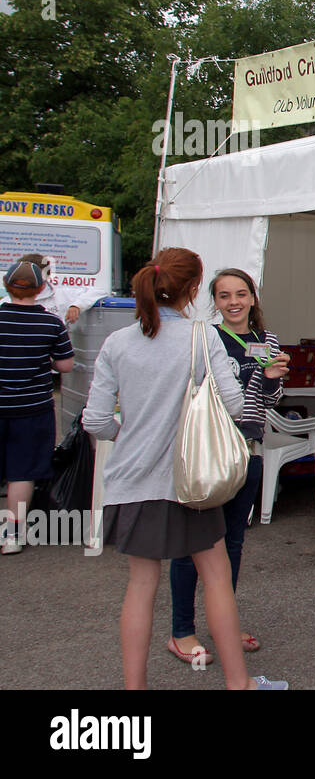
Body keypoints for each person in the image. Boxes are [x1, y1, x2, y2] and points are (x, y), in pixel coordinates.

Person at [82, 248, 285, 689]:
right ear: (194, 291)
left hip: (132, 483)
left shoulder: (117, 343)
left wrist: (130, 436)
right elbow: (234, 406)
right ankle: (240, 684)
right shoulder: (200, 337)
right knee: (216, 577)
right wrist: (266, 383)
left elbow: (95, 421)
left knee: (140, 586)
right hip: (192, 480)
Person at [167, 268, 290, 667]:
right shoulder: (205, 337)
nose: (233, 302)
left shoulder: (267, 340)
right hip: (208, 453)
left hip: (247, 451)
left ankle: (225, 624)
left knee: (233, 543)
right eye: (224, 295)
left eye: (241, 294)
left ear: (253, 298)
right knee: (191, 546)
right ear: (215, 302)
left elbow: (270, 400)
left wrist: (272, 378)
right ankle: (182, 630)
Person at [0, 260, 74, 554]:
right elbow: (65, 365)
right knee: (22, 472)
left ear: (6, 286)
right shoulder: (50, 323)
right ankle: (13, 536)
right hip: (32, 409)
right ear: (41, 289)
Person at [0, 253, 104, 325]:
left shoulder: (62, 295)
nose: (29, 278)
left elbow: (100, 291)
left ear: (46, 276)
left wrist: (77, 305)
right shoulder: (6, 303)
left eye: (34, 274)